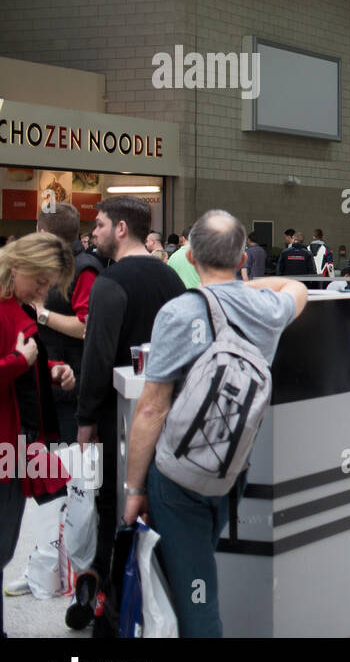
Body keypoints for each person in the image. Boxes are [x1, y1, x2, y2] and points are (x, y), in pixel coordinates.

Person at [122, 210, 307, 637]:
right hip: (230, 471)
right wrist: (246, 287)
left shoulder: (178, 312)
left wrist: (134, 489)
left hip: (175, 479)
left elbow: (152, 409)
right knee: (197, 566)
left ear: (188, 252)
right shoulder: (269, 309)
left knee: (195, 595)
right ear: (244, 257)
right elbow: (296, 288)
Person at [73, 196, 186, 633]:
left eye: (99, 225)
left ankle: (110, 608)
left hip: (117, 422)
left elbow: (96, 359)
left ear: (122, 228)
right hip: (168, 420)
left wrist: (85, 420)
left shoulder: (109, 283)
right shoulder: (173, 279)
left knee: (112, 510)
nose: (94, 232)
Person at [0, 233, 78, 637]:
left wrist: (46, 371)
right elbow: (12, 364)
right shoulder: (5, 308)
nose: (44, 290)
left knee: (5, 544)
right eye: (42, 281)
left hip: (16, 442)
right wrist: (18, 362)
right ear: (20, 264)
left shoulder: (16, 306)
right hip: (7, 443)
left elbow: (20, 372)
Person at [34, 202, 103, 442]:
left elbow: (86, 327)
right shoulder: (51, 265)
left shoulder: (83, 269)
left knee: (66, 465)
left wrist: (41, 314)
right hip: (49, 380)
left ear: (42, 233)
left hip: (69, 386)